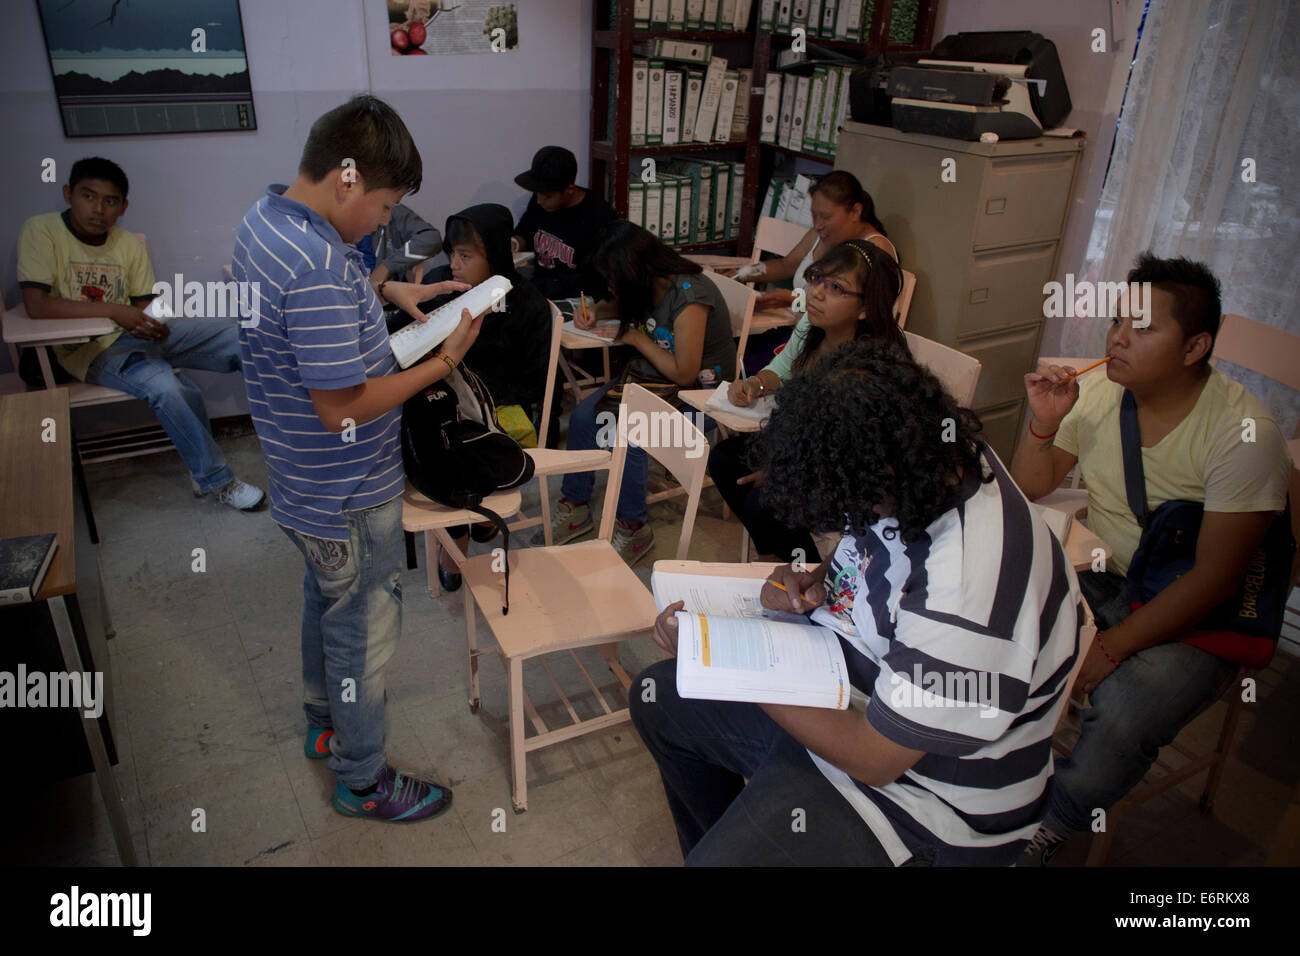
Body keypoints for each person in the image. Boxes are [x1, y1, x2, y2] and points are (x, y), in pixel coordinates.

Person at [632, 341, 1083, 865]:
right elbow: (873, 553)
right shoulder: (926, 460)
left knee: (698, 687)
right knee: (660, 698)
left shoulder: (968, 584)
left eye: (846, 502)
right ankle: (746, 832)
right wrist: (816, 579)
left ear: (880, 478)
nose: (846, 519)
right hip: (855, 694)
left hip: (929, 805)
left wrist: (726, 662)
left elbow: (875, 760)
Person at [233, 94, 485, 823]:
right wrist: (443, 363)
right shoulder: (315, 261)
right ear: (346, 181)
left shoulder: (271, 219)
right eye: (383, 207)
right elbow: (341, 407)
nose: (384, 222)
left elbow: (319, 297)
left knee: (327, 603)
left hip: (301, 483)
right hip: (346, 488)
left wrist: (388, 287)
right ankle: (363, 779)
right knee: (363, 635)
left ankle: (324, 723)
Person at [1010, 254, 1293, 864]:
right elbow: (1032, 485)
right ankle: (993, 777)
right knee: (993, 627)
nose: (1117, 337)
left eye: (1142, 327)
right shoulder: (1102, 394)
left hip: (1194, 606)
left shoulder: (1244, 434)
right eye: (1118, 320)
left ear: (1195, 347)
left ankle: (1053, 822)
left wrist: (1110, 647)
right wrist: (1043, 423)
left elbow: (1216, 578)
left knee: (1123, 715)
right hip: (1106, 573)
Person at [18, 156, 265, 510]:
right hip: (89, 351)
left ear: (123, 206)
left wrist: (155, 321)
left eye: (110, 200)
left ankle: (294, 437)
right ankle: (218, 481)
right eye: (88, 196)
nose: (99, 208)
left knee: (242, 337)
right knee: (168, 386)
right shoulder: (42, 231)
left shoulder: (126, 243)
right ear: (68, 193)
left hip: (135, 333)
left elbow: (146, 303)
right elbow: (36, 306)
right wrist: (115, 310)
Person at [544, 220, 736, 565]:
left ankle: (634, 528)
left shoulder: (690, 295)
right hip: (653, 382)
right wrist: (596, 312)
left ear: (635, 273)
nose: (610, 287)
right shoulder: (648, 284)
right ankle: (575, 504)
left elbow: (685, 372)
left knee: (628, 433)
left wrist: (634, 337)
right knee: (586, 417)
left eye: (614, 280)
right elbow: (619, 308)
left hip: (701, 396)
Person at [708, 239, 908, 564]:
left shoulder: (870, 367)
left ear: (865, 307)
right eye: (817, 280)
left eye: (835, 287)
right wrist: (756, 383)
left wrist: (787, 474)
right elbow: (783, 368)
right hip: (805, 451)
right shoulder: (813, 324)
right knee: (724, 459)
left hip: (851, 480)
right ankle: (776, 555)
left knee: (765, 500)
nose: (815, 293)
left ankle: (810, 569)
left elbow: (857, 456)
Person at [414, 203, 554, 592]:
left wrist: (484, 403)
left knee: (465, 447)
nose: (454, 265)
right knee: (443, 439)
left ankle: (459, 538)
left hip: (504, 409)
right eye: (451, 254)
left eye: (466, 255)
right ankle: (474, 522)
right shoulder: (443, 288)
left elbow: (538, 379)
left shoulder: (525, 302)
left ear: (494, 253)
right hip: (445, 398)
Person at [727, 170, 897, 312]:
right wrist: (740, 273)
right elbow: (786, 265)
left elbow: (855, 314)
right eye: (814, 215)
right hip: (799, 331)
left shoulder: (876, 250)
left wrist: (795, 301)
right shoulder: (821, 233)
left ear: (855, 211)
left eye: (826, 216)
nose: (817, 225)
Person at [511, 145, 616, 300]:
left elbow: (597, 279)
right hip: (540, 288)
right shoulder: (541, 201)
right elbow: (524, 232)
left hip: (576, 299)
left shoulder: (598, 216)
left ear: (569, 190)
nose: (539, 201)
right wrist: (514, 244)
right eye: (537, 193)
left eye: (547, 196)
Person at [361, 202, 442, 289]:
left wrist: (387, 266)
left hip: (381, 293)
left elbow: (431, 239)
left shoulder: (394, 212)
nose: (385, 220)